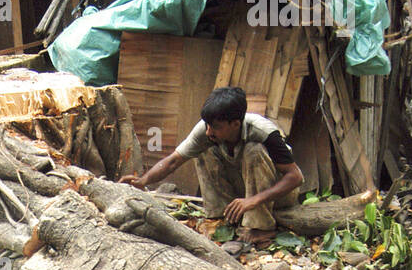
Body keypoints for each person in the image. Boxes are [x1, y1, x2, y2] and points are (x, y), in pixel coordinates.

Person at [121, 85, 304, 246]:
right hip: (243, 195)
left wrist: (253, 201)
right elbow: (174, 160)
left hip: (278, 196)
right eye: (208, 125)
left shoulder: (263, 132)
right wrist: (142, 181)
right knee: (204, 149)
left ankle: (261, 227)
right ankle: (220, 217)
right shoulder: (207, 130)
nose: (209, 131)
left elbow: (295, 177)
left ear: (235, 124)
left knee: (253, 151)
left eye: (215, 127)